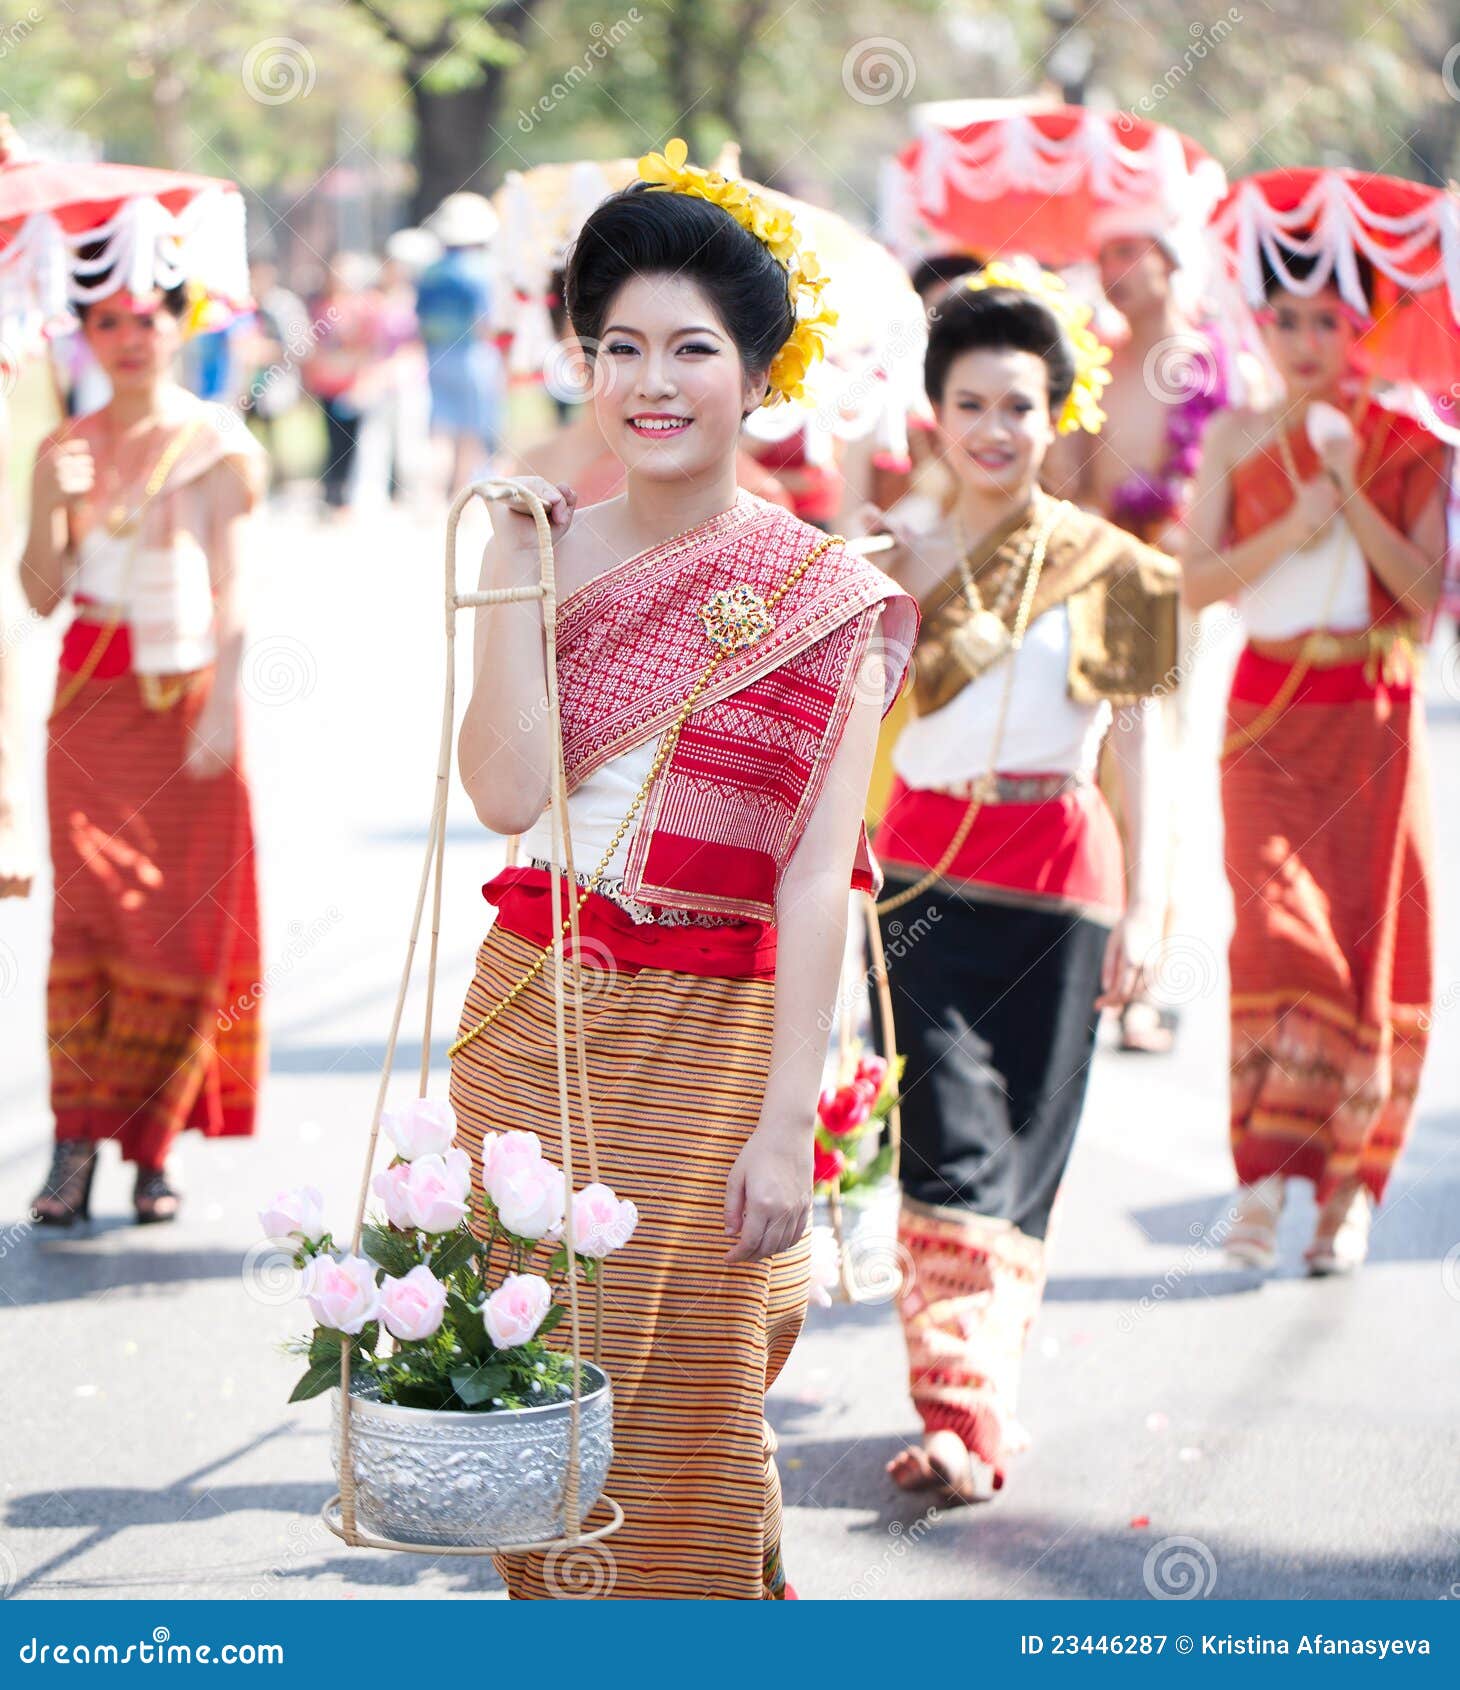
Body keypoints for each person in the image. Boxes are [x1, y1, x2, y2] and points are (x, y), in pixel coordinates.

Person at [448, 139, 916, 1599]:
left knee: (696, 1397)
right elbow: (510, 792)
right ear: (585, 364)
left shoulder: (824, 595)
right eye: (620, 346)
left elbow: (815, 878)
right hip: (536, 1036)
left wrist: (790, 1128)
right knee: (545, 1397)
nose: (653, 380)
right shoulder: (535, 545)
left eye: (692, 349)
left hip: (713, 1047)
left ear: (760, 374)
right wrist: (509, 596)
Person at [862, 268, 1179, 1503]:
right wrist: (911, 564)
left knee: (1023, 1160)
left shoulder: (1115, 566)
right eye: (971, 402)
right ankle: (956, 1411)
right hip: (922, 879)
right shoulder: (892, 546)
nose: (996, 427)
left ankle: (977, 1397)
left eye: (1019, 405)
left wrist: (1151, 907)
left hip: (1058, 874)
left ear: (1056, 416)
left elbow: (1142, 741)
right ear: (934, 411)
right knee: (947, 1142)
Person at [1183, 250, 1448, 1276]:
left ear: (1362, 331)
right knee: (1276, 935)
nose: (1303, 344)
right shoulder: (1231, 437)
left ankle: (1344, 1191)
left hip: (1372, 716)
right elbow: (1192, 582)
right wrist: (1294, 521)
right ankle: (1257, 1181)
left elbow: (1417, 594)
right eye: (1285, 321)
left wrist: (1346, 486)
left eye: (1326, 323)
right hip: (1265, 713)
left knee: (1372, 951)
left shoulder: (1406, 438)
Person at [19, 250, 267, 1226]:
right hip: (89, 696)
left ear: (181, 324)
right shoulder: (63, 446)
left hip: (187, 697)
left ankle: (153, 1149)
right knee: (87, 916)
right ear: (85, 335)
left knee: (177, 923)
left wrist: (220, 705)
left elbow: (232, 584)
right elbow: (40, 595)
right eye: (108, 323)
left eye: (146, 319)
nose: (128, 340)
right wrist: (51, 502)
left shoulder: (211, 443)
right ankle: (73, 1144)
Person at [416, 193, 505, 499]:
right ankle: (461, 496)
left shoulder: (429, 272)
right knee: (472, 430)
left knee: (440, 429)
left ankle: (429, 496)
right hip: (474, 355)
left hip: (436, 356)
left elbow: (420, 318)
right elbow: (487, 322)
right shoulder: (482, 270)